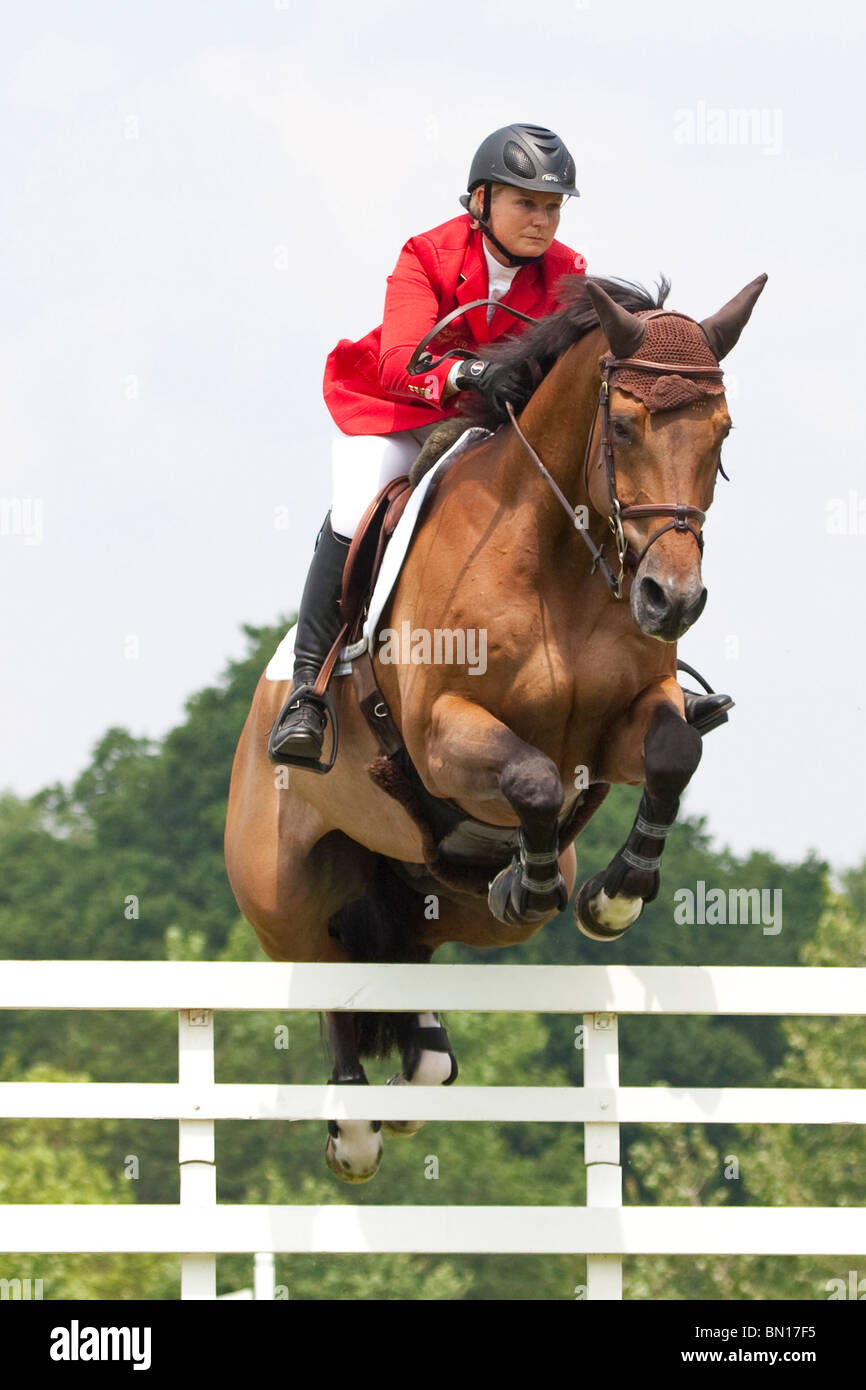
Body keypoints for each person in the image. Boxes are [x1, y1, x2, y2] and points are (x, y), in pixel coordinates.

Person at [270, 123, 731, 764]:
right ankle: (309, 691)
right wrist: (465, 371)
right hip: (400, 411)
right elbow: (400, 360)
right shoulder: (425, 255)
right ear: (481, 201)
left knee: (596, 493)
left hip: (498, 424)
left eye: (552, 206)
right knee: (355, 508)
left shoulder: (568, 270)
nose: (543, 221)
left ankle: (651, 679)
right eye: (527, 204)